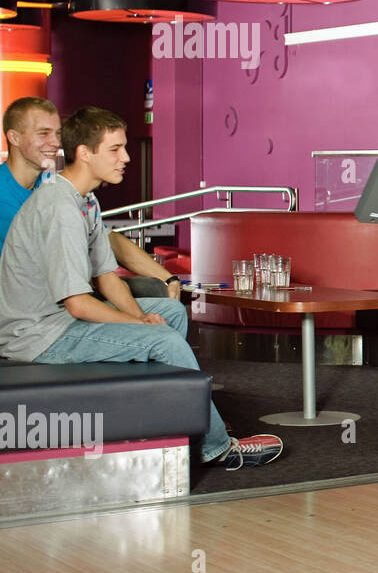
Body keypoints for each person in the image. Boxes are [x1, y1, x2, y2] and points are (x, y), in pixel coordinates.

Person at [0, 106, 281, 470]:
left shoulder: (84, 199)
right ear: (84, 153)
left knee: (169, 312)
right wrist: (138, 326)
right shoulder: (58, 207)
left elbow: (106, 277)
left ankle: (172, 423)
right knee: (162, 339)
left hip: (58, 322)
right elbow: (79, 305)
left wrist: (140, 316)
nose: (127, 158)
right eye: (115, 149)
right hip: (36, 335)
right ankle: (217, 447)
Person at [1, 97, 178, 299]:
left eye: (57, 133)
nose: (55, 142)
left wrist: (168, 279)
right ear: (14, 138)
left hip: (61, 294)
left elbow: (105, 238)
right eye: (43, 133)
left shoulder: (53, 183)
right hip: (25, 306)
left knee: (155, 290)